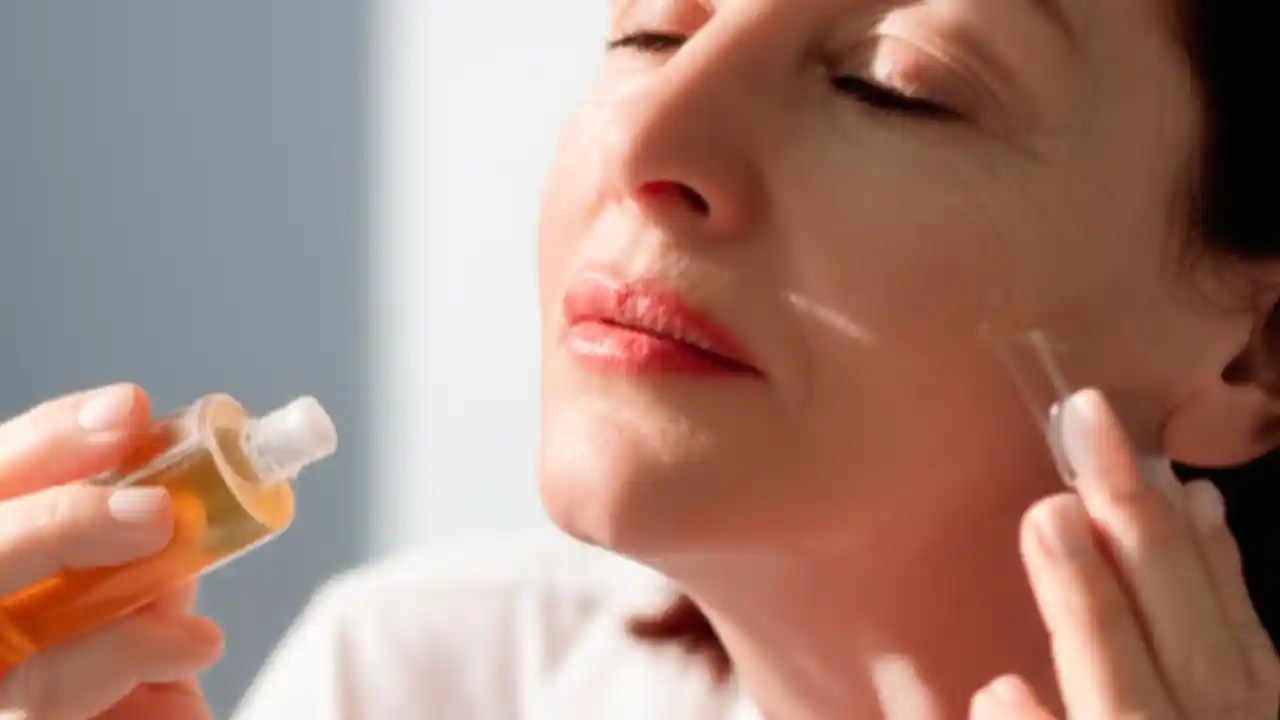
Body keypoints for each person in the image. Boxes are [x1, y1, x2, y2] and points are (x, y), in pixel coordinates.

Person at [1, 0, 1277, 717]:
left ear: (1252, 357)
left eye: (898, 84)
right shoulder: (425, 682)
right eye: (655, 27)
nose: (651, 137)